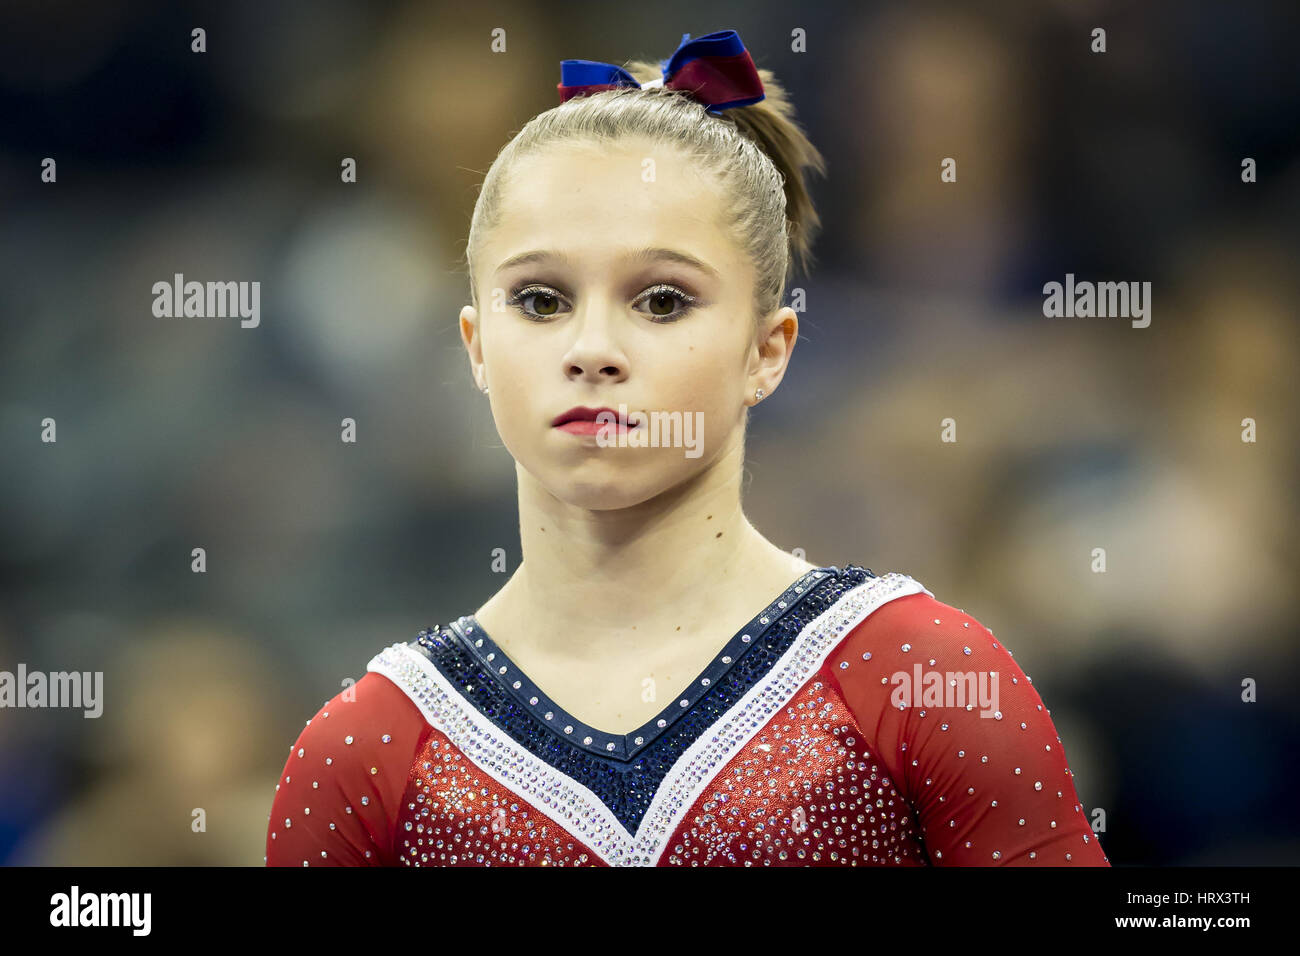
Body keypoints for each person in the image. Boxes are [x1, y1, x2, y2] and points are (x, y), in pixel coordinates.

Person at [265, 29, 1107, 867]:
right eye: (541, 299)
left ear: (767, 350)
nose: (591, 348)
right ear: (477, 345)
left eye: (662, 300)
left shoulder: (919, 676)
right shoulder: (365, 753)